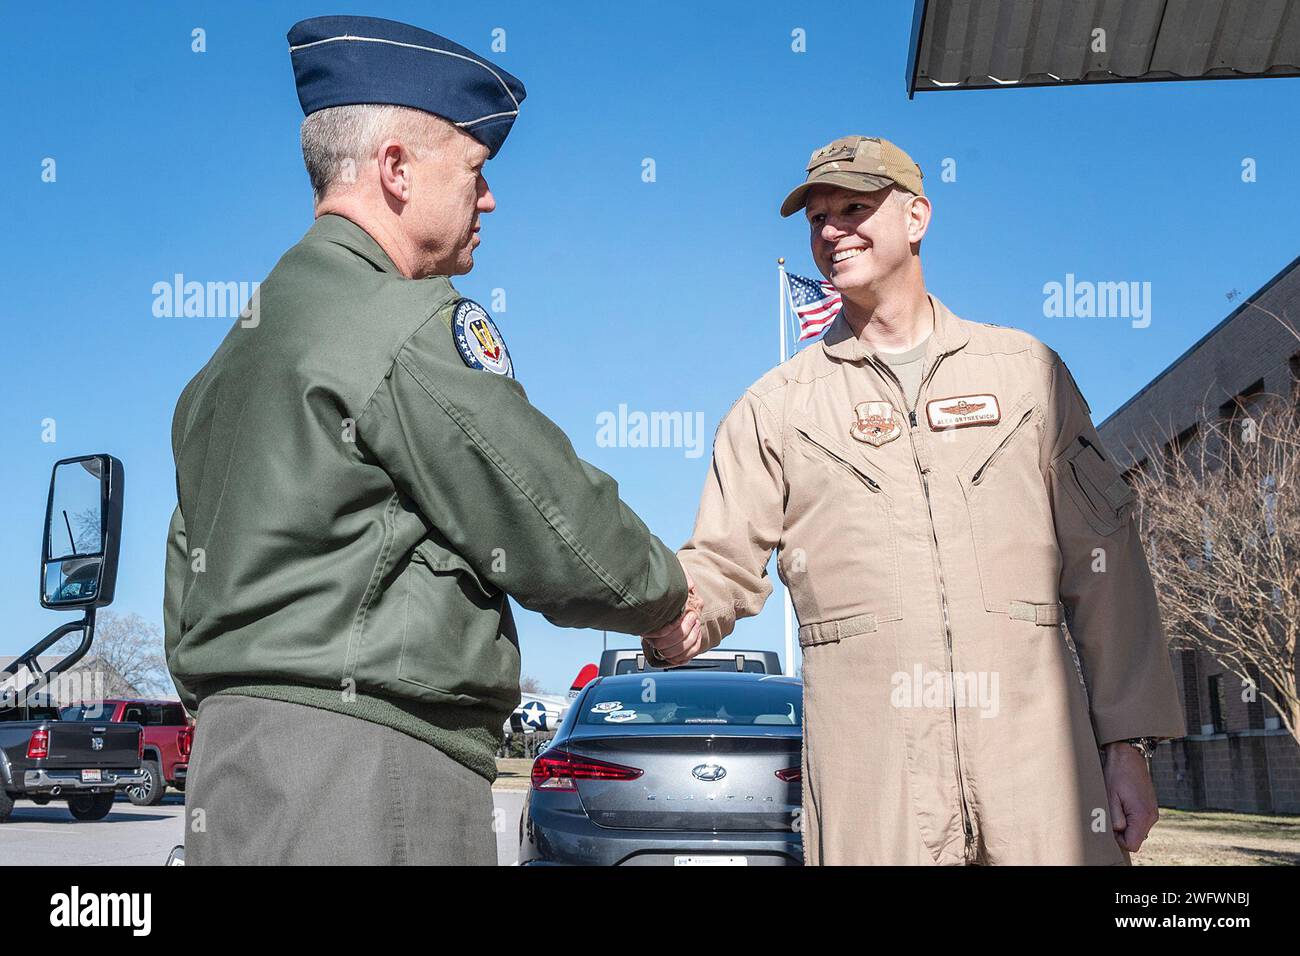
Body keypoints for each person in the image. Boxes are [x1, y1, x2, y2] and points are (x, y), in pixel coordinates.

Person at [164, 15, 691, 865]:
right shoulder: (403, 322)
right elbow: (547, 517)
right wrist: (666, 600)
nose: (490, 198)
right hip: (371, 776)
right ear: (396, 169)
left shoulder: (226, 363)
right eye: (476, 171)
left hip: (235, 771)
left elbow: (185, 578)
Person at [642, 135, 1185, 865]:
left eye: (854, 208)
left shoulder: (1027, 375)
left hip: (1039, 770)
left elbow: (1106, 562)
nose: (831, 230)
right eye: (817, 219)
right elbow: (720, 564)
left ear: (917, 218)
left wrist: (1127, 745)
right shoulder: (776, 408)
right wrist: (666, 614)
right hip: (876, 780)